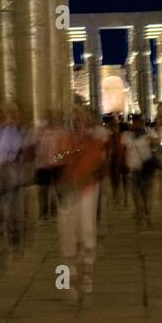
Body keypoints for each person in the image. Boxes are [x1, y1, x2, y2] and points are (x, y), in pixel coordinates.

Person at [56, 102, 107, 298]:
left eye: (80, 119)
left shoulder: (93, 142)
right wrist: (70, 153)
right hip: (70, 190)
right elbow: (59, 157)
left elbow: (98, 164)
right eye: (73, 119)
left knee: (86, 230)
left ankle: (87, 274)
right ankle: (68, 278)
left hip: (87, 189)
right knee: (69, 232)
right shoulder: (67, 140)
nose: (76, 123)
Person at [123, 115, 158, 227]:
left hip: (146, 167)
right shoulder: (127, 135)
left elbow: (156, 140)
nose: (137, 124)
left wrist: (150, 140)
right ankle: (139, 213)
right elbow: (124, 145)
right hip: (134, 167)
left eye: (139, 122)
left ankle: (148, 214)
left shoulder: (149, 132)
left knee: (147, 193)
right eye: (135, 122)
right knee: (135, 193)